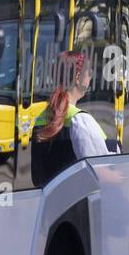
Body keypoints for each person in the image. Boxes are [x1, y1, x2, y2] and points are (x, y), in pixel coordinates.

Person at [31, 50, 114, 185]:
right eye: (89, 73)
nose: (91, 78)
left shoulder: (41, 117)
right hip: (78, 202)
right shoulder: (80, 120)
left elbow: (37, 177)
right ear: (77, 77)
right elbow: (102, 174)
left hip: (50, 202)